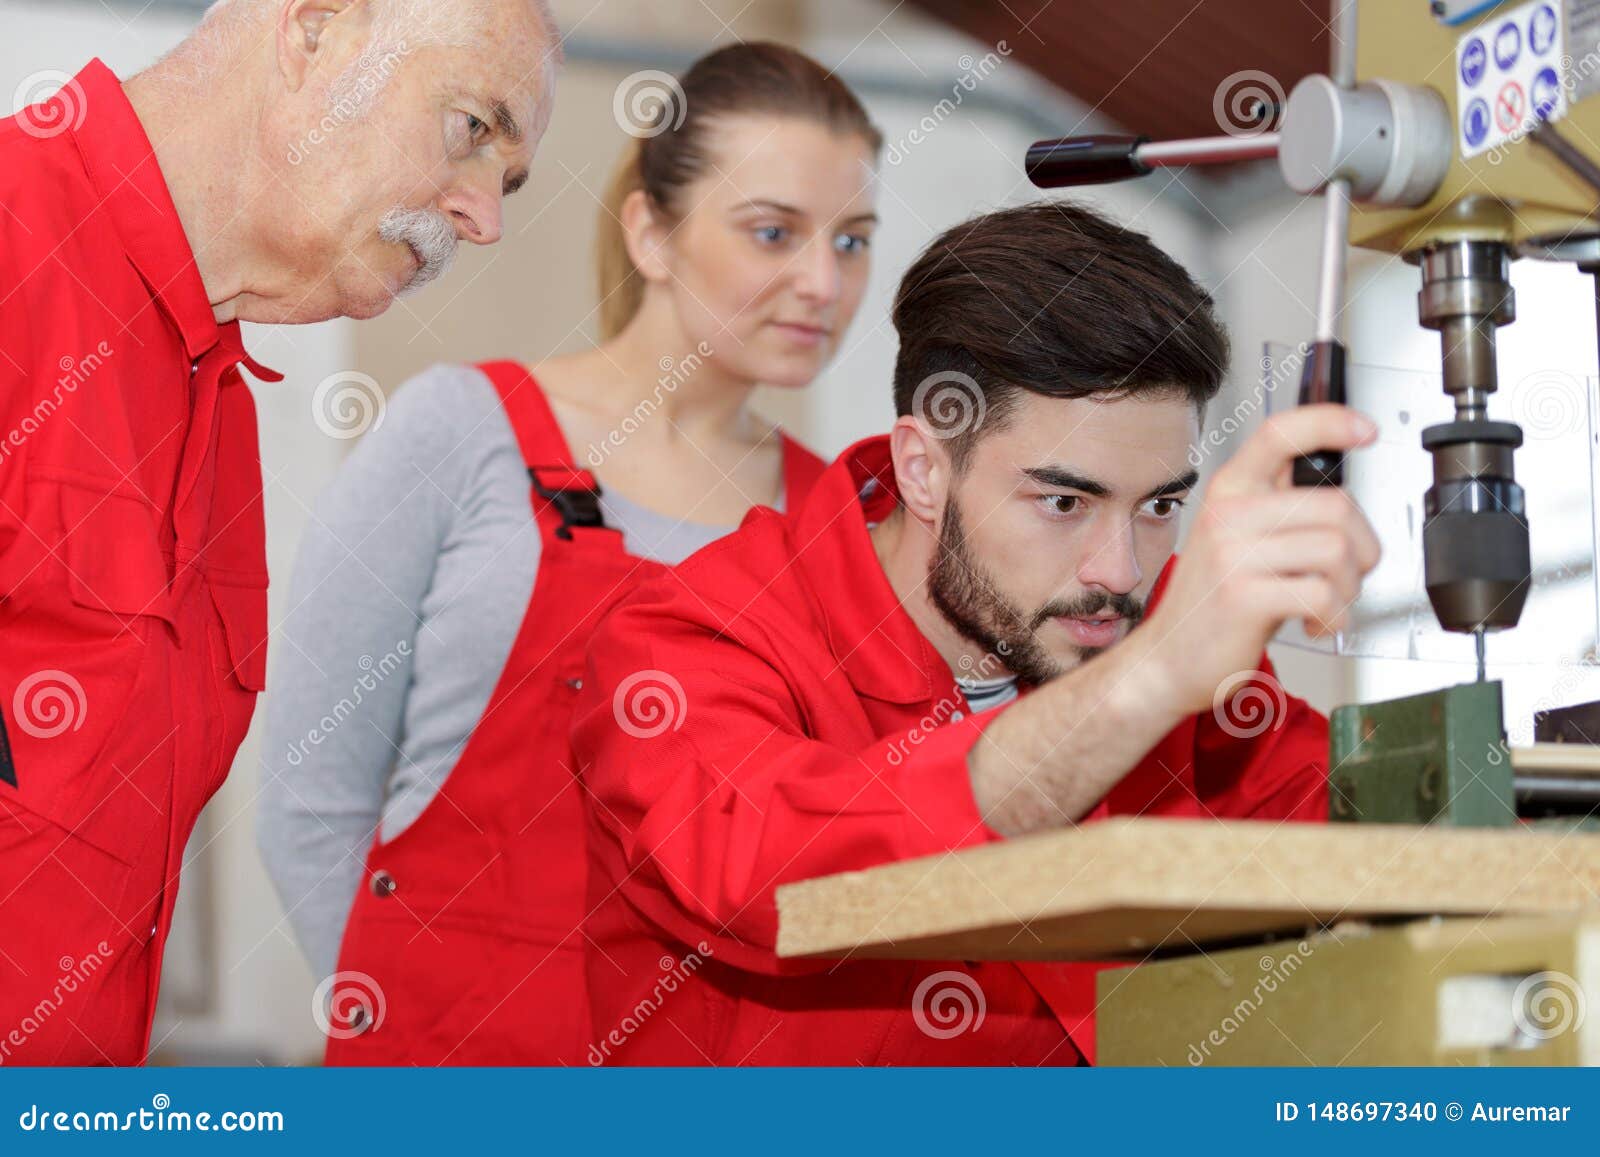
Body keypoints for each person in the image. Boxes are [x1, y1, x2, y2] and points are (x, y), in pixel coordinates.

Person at [571, 200, 1382, 1066]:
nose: (1118, 570)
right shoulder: (680, 645)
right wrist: (1146, 680)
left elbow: (1375, 821)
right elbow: (777, 876)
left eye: (1159, 506)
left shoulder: (1166, 662)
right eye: (1063, 501)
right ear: (924, 468)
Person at [256, 42, 882, 1065]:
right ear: (651, 231)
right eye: (774, 231)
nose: (822, 281)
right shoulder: (461, 431)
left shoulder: (839, 527)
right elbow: (309, 799)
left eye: (853, 240)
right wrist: (410, 1031)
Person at [0, 0, 559, 1066]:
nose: (484, 216)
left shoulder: (219, 405)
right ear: (314, 33)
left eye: (512, 179)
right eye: (474, 129)